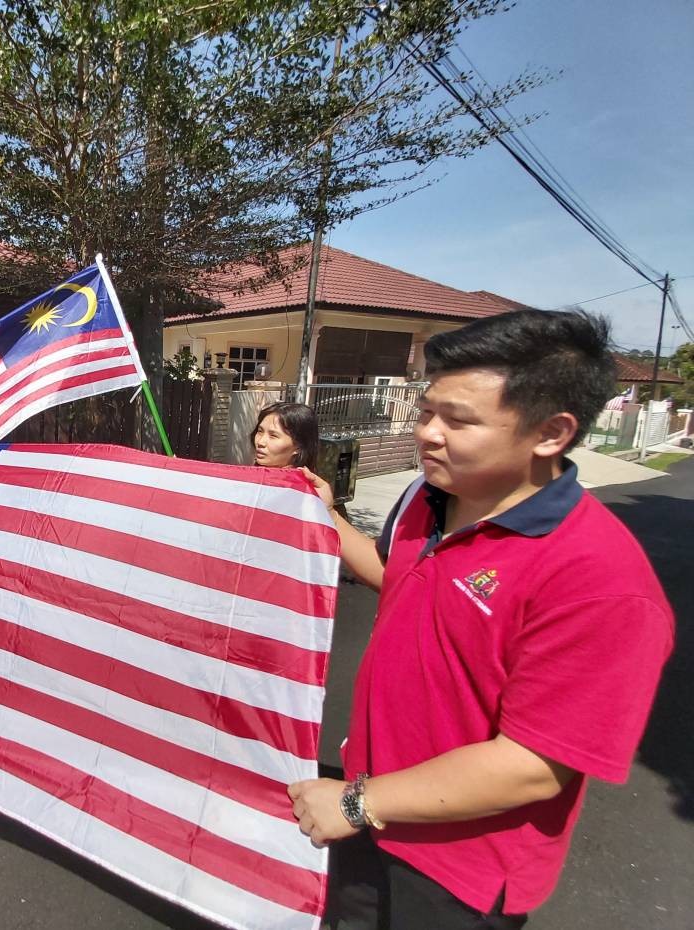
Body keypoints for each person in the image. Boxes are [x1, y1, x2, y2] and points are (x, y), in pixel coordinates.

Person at [287, 309, 673, 928]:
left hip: (457, 869)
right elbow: (395, 576)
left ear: (551, 432)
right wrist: (322, 514)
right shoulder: (429, 497)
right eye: (426, 412)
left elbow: (531, 767)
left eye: (458, 420)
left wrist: (358, 802)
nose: (427, 434)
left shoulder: (601, 582)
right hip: (368, 815)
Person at [251, 401, 320, 469]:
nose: (260, 442)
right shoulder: (252, 473)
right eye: (260, 431)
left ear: (298, 446)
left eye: (273, 436)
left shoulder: (295, 477)